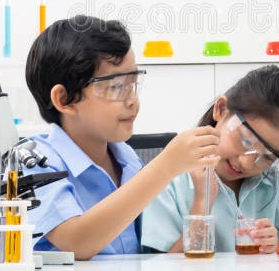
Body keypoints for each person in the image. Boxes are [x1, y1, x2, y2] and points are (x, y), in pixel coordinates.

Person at [23, 16, 220, 259]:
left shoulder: (127, 159)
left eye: (133, 83)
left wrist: (201, 201)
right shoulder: (33, 162)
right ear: (64, 100)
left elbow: (151, 259)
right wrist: (166, 166)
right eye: (116, 86)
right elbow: (76, 242)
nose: (132, 101)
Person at [141, 65, 279, 253]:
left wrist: (275, 247)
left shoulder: (272, 185)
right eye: (246, 140)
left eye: (267, 157)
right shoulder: (169, 179)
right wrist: (201, 204)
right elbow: (159, 265)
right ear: (221, 109)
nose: (246, 163)